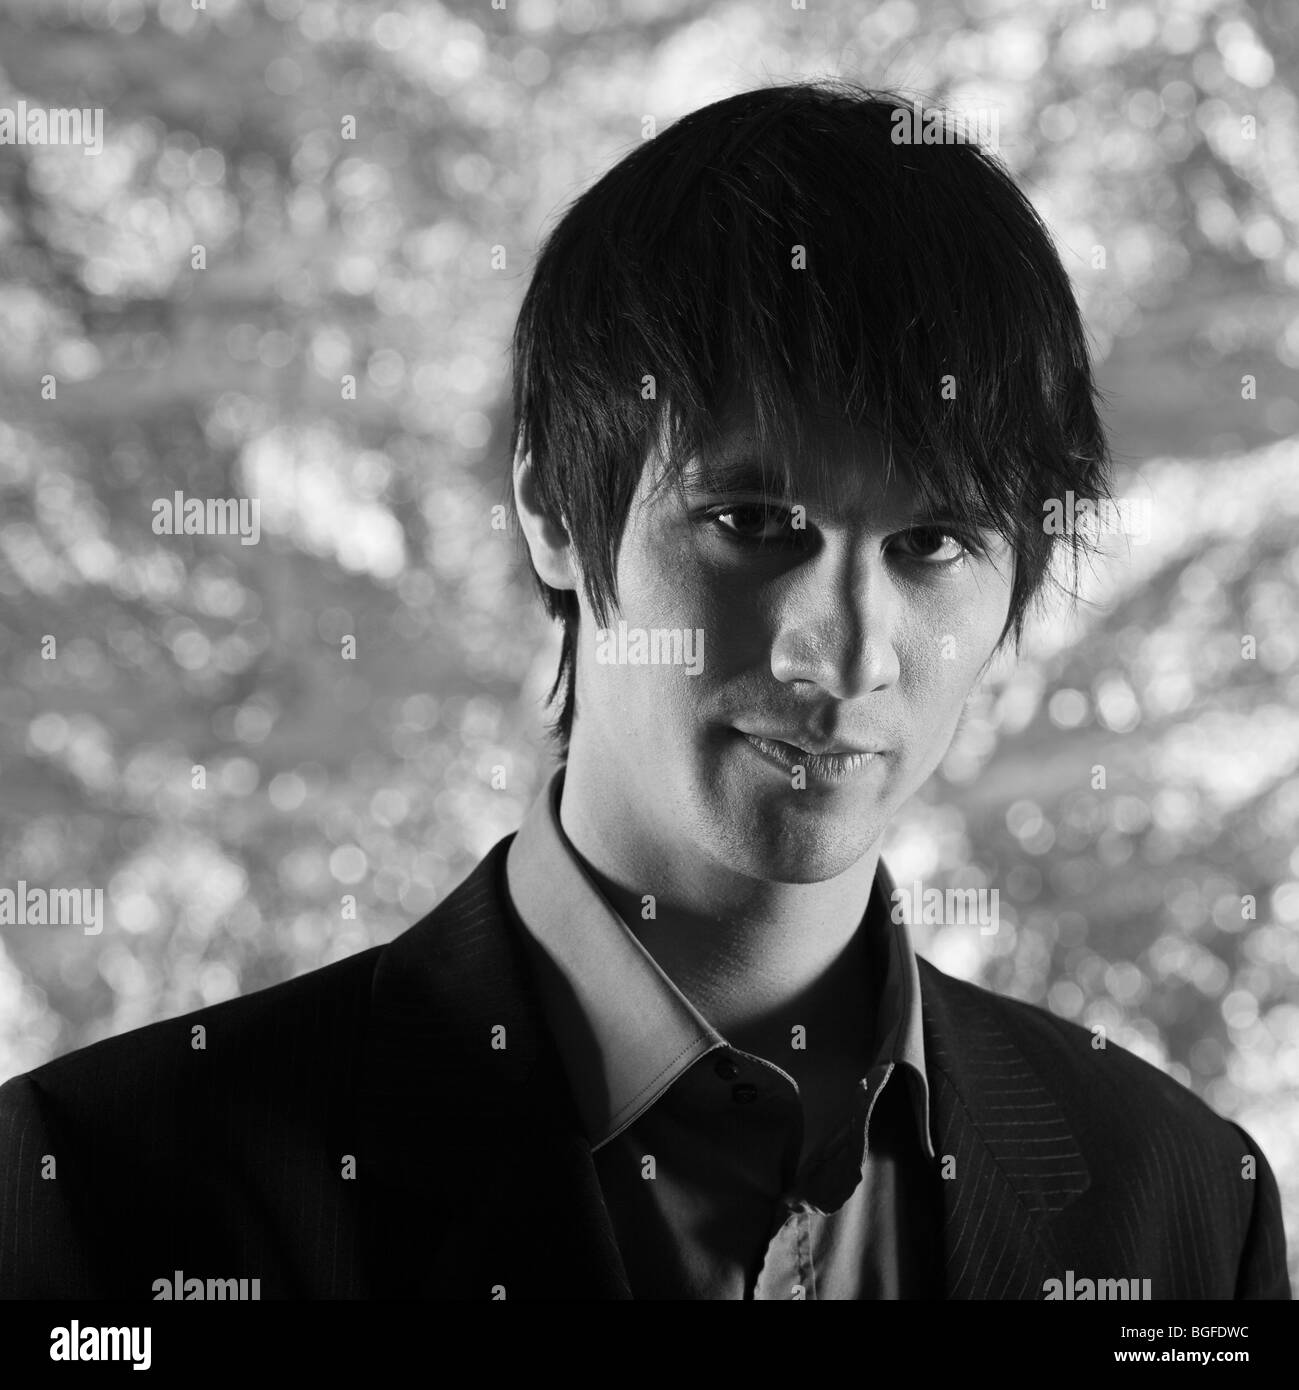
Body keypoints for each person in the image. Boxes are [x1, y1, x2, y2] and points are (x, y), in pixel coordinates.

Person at [0, 81, 1287, 1301]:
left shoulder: (1179, 1207)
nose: (839, 658)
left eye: (932, 543)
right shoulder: (111, 1189)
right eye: (752, 519)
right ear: (553, 509)